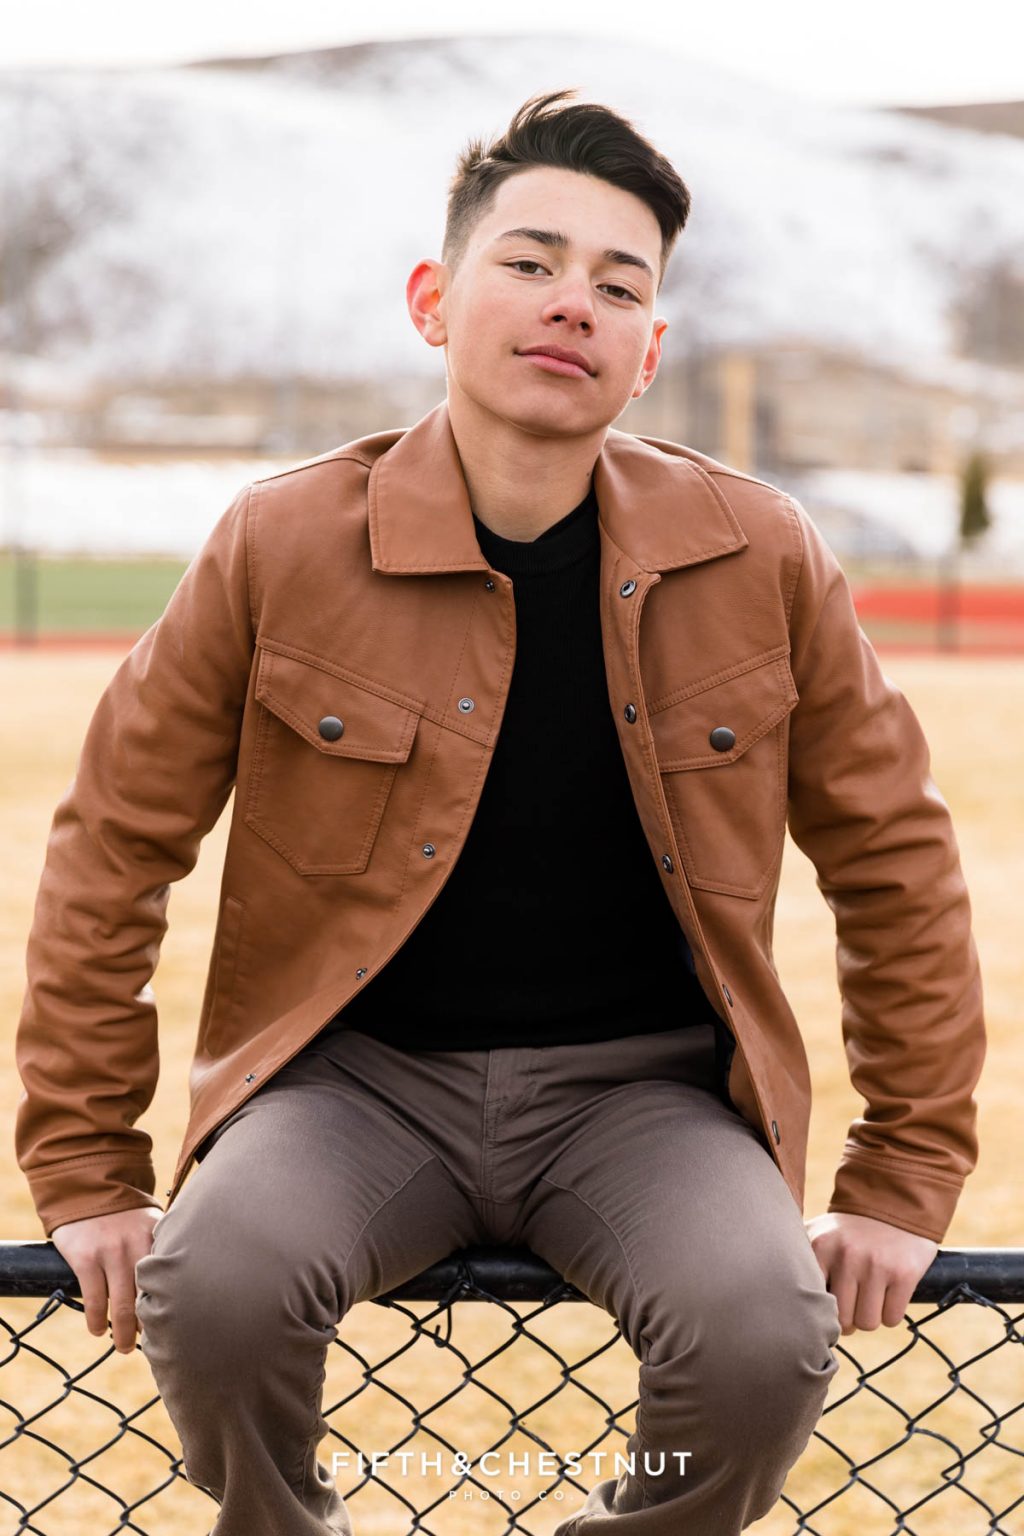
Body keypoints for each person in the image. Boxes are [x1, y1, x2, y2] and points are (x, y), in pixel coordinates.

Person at [14, 87, 985, 1536]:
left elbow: (897, 862)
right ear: (433, 299)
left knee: (758, 1330)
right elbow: (114, 844)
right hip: (352, 1085)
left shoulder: (763, 552)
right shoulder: (280, 542)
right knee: (211, 1289)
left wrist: (903, 1174)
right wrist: (86, 1163)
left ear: (651, 351)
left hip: (645, 1097)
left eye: (619, 284)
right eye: (528, 263)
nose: (571, 304)